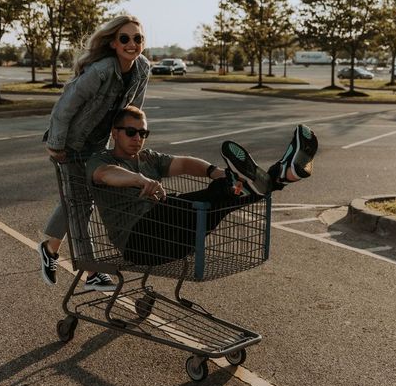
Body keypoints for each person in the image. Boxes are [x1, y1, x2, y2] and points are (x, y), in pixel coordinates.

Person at [85, 106, 318, 268]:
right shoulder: (102, 160)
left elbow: (185, 163)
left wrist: (215, 173)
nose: (138, 137)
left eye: (143, 133)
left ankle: (280, 176)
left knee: (221, 202)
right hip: (139, 243)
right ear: (115, 133)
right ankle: (259, 178)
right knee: (188, 202)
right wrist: (140, 180)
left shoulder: (149, 157)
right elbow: (106, 175)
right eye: (131, 132)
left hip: (178, 243)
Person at [39, 15, 151, 291]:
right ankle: (91, 273)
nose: (132, 44)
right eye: (125, 38)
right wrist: (56, 145)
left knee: (78, 199)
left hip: (97, 144)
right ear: (113, 43)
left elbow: (131, 112)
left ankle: (50, 248)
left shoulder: (142, 69)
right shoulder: (101, 71)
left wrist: (126, 145)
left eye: (138, 38)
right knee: (78, 203)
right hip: (70, 143)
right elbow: (64, 108)